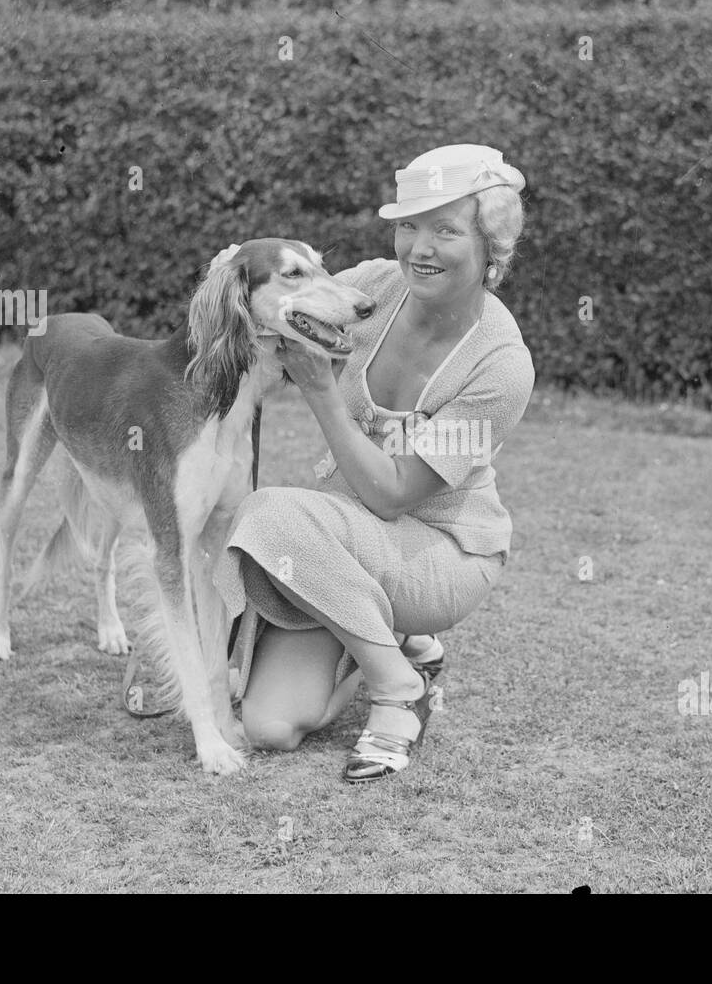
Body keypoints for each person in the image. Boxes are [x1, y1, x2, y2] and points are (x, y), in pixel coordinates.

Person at [213, 143, 534, 782]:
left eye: (446, 229)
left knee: (270, 511)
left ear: (491, 247)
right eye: (408, 225)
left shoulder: (500, 366)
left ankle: (397, 688)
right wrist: (229, 274)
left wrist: (323, 391)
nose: (419, 247)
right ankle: (396, 652)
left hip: (439, 553)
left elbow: (393, 496)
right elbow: (269, 309)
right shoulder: (370, 287)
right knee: (269, 728)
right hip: (335, 545)